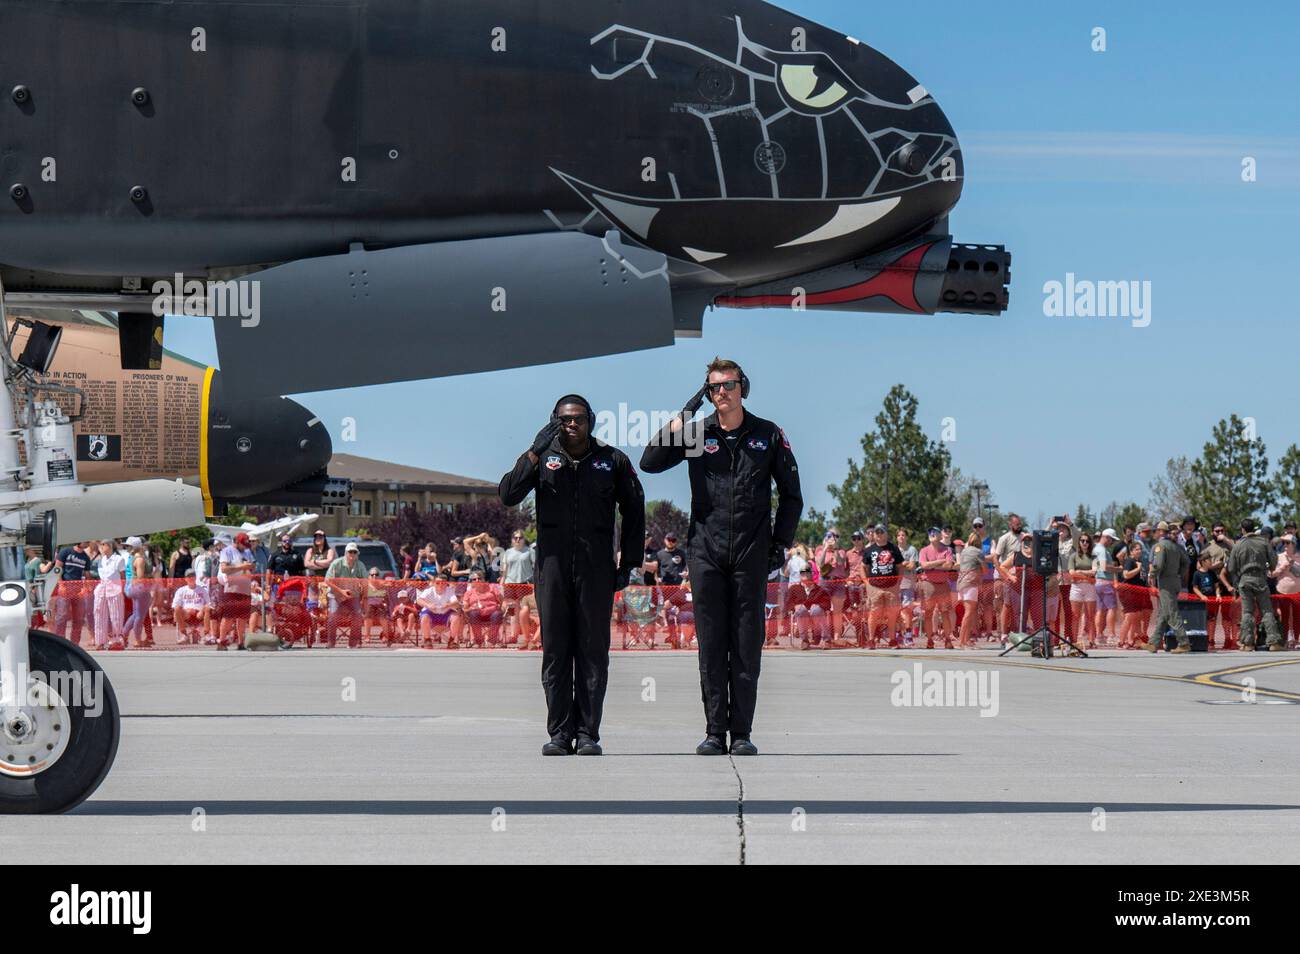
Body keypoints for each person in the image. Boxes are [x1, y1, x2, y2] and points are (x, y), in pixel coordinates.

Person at [642, 359, 801, 757]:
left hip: (751, 553)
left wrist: (778, 545)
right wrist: (685, 412)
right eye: (714, 387)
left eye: (729, 385)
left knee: (746, 644)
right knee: (711, 646)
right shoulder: (698, 434)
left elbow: (792, 496)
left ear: (742, 387)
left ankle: (742, 733)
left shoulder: (767, 434)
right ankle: (715, 732)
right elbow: (650, 461)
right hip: (706, 553)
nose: (722, 393)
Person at [501, 393, 645, 756]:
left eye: (579, 418)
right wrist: (534, 451)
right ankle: (559, 733)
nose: (572, 425)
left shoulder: (612, 460)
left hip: (596, 570)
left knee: (593, 651)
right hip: (552, 569)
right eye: (564, 419)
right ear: (554, 421)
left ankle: (587, 733)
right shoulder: (543, 458)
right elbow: (507, 493)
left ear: (590, 421)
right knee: (556, 651)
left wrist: (628, 563)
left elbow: (634, 509)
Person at [1225, 519, 1285, 651]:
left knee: (1247, 612)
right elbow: (1274, 563)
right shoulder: (1264, 542)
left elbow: (1231, 567)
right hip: (1261, 579)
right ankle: (1274, 642)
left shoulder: (1238, 544)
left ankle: (1248, 643)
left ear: (1242, 529)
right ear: (1254, 528)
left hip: (1245, 580)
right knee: (1267, 611)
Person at [1146, 521, 1190, 653]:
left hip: (1165, 582)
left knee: (1171, 613)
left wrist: (1152, 575)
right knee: (1163, 614)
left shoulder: (1161, 546)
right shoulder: (1177, 547)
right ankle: (1154, 643)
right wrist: (1178, 575)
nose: (1154, 533)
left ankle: (1183, 642)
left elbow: (1157, 564)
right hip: (1175, 581)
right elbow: (1186, 563)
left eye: (1156, 530)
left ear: (1160, 531)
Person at [324, 541, 368, 647]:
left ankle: (353, 643)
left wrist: (364, 599)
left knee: (358, 615)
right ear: (345, 553)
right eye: (350, 552)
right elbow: (327, 580)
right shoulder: (336, 563)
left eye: (354, 552)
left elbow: (366, 583)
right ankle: (331, 642)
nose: (352, 554)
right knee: (332, 615)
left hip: (353, 596)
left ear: (357, 554)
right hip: (336, 595)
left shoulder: (360, 565)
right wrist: (341, 592)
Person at [218, 532, 257, 649]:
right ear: (238, 542)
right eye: (243, 544)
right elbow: (224, 569)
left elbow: (253, 565)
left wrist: (250, 566)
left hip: (245, 589)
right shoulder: (227, 551)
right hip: (232, 588)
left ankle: (241, 642)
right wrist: (241, 567)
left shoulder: (247, 552)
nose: (245, 547)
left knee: (243, 617)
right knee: (228, 617)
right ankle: (222, 642)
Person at [92, 539, 126, 650]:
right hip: (102, 589)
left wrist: (122, 589)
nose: (101, 547)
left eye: (103, 545)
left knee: (116, 616)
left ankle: (117, 641)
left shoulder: (119, 559)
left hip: (115, 589)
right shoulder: (100, 560)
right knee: (98, 614)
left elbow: (122, 576)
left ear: (110, 546)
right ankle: (100, 641)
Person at [417, 571, 462, 647]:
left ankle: (451, 641)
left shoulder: (450, 590)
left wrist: (448, 605)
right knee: (424, 617)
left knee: (456, 617)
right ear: (434, 583)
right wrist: (428, 605)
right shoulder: (429, 591)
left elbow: (456, 603)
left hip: (445, 613)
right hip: (431, 613)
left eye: (443, 583)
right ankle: (427, 640)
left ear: (446, 583)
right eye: (438, 583)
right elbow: (419, 600)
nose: (440, 585)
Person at [171, 569, 205, 643]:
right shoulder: (181, 590)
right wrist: (187, 610)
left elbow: (208, 603)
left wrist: (201, 610)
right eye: (189, 576)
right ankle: (185, 635)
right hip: (186, 614)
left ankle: (205, 636)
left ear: (196, 577)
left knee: (207, 608)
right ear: (185, 579)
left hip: (199, 613)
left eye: (193, 576)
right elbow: (175, 605)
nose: (191, 578)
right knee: (177, 609)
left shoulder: (202, 590)